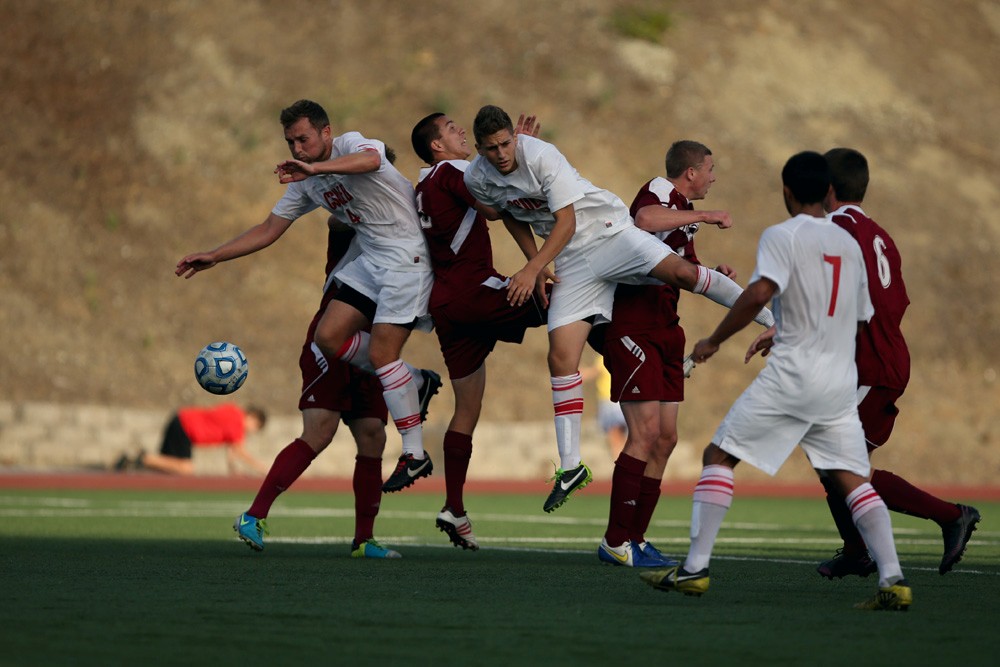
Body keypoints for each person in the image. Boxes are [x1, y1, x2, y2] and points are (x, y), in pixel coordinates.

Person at [463, 105, 772, 513]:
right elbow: (507, 214)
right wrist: (535, 263)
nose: (501, 153)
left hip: (607, 234)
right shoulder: (477, 177)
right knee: (560, 357)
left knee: (683, 273)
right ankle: (571, 467)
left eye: (506, 143)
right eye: (491, 148)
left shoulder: (540, 155)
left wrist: (533, 266)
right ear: (480, 149)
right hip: (572, 261)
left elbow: (568, 221)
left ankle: (771, 317)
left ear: (514, 138)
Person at [641, 151, 913, 611]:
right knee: (852, 478)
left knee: (718, 455)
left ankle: (694, 570)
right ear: (828, 193)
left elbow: (759, 293)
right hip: (839, 378)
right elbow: (863, 313)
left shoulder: (782, 235)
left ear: (787, 192)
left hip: (795, 372)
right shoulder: (849, 243)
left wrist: (715, 339)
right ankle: (893, 580)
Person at [176, 99, 441, 495]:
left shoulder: (350, 145)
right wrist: (215, 255)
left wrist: (316, 168)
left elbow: (372, 161)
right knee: (328, 336)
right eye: (290, 143)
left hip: (409, 256)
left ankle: (414, 453)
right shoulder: (306, 181)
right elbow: (268, 228)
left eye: (303, 139)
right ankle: (415, 382)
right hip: (373, 260)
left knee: (384, 357)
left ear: (326, 132)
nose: (297, 149)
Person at [812, 147, 980, 578]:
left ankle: (950, 516)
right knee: (829, 460)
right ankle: (856, 551)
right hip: (881, 357)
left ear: (827, 188)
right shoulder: (878, 234)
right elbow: (894, 300)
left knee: (842, 465)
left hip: (868, 364)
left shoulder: (833, 229)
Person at [599, 140, 748, 567]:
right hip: (634, 329)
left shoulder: (682, 214)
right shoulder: (660, 193)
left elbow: (683, 268)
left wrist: (714, 274)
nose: (714, 177)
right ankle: (614, 541)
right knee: (643, 434)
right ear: (691, 172)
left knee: (665, 438)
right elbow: (643, 219)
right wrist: (705, 214)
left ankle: (636, 539)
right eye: (711, 169)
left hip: (667, 330)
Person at [410, 111, 549, 549]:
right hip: (474, 292)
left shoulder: (422, 183)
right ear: (437, 145)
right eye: (452, 129)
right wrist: (519, 153)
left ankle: (454, 506)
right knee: (567, 300)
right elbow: (494, 207)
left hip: (447, 305)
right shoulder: (453, 170)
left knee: (467, 407)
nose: (461, 133)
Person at [233, 219, 401, 559]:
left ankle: (364, 541)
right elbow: (336, 220)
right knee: (320, 429)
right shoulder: (354, 210)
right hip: (333, 335)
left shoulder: (404, 217)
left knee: (373, 434)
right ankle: (254, 516)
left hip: (375, 338)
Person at [115, 403, 267, 476]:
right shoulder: (237, 422)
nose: (251, 431)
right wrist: (263, 469)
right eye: (255, 427)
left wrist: (233, 470)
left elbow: (232, 451)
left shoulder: (233, 412)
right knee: (186, 469)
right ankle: (143, 458)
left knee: (169, 466)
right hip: (185, 427)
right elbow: (239, 451)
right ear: (252, 417)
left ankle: (132, 460)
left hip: (180, 420)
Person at [580, 357, 627, 460]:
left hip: (610, 401)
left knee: (614, 436)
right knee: (620, 435)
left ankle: (622, 464)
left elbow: (594, 371)